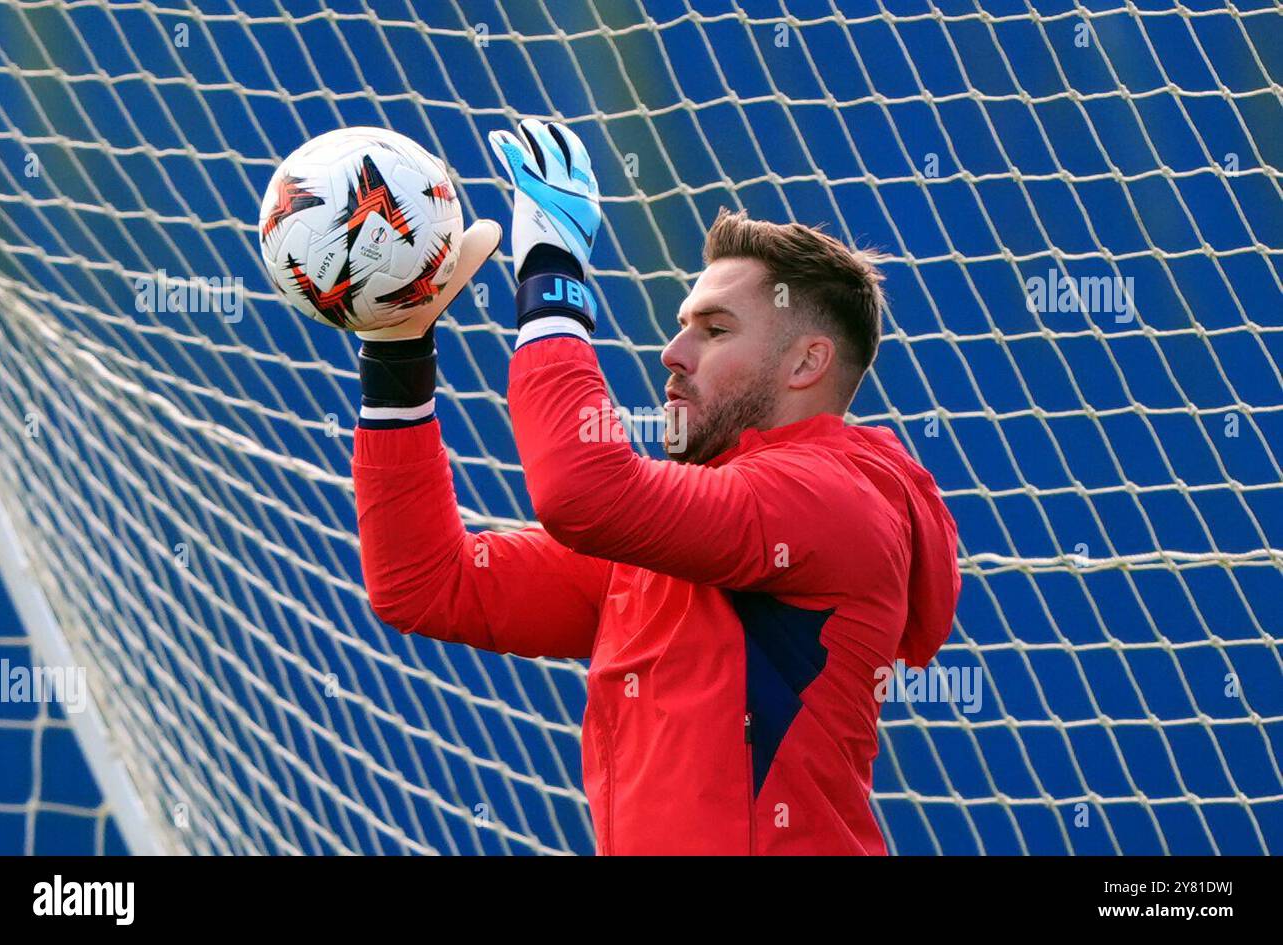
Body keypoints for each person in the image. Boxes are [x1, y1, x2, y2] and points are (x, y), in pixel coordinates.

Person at [352, 120, 960, 854]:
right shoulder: (681, 537)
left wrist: (552, 272)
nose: (672, 352)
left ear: (806, 364)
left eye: (715, 328)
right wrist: (397, 351)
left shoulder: (833, 497)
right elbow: (426, 584)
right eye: (682, 324)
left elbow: (582, 491)